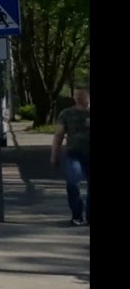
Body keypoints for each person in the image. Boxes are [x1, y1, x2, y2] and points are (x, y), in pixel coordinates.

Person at [51, 85, 89, 226]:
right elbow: (59, 135)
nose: (79, 98)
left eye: (82, 95)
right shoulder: (66, 114)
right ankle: (77, 215)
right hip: (74, 154)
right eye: (76, 95)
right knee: (73, 183)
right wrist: (54, 154)